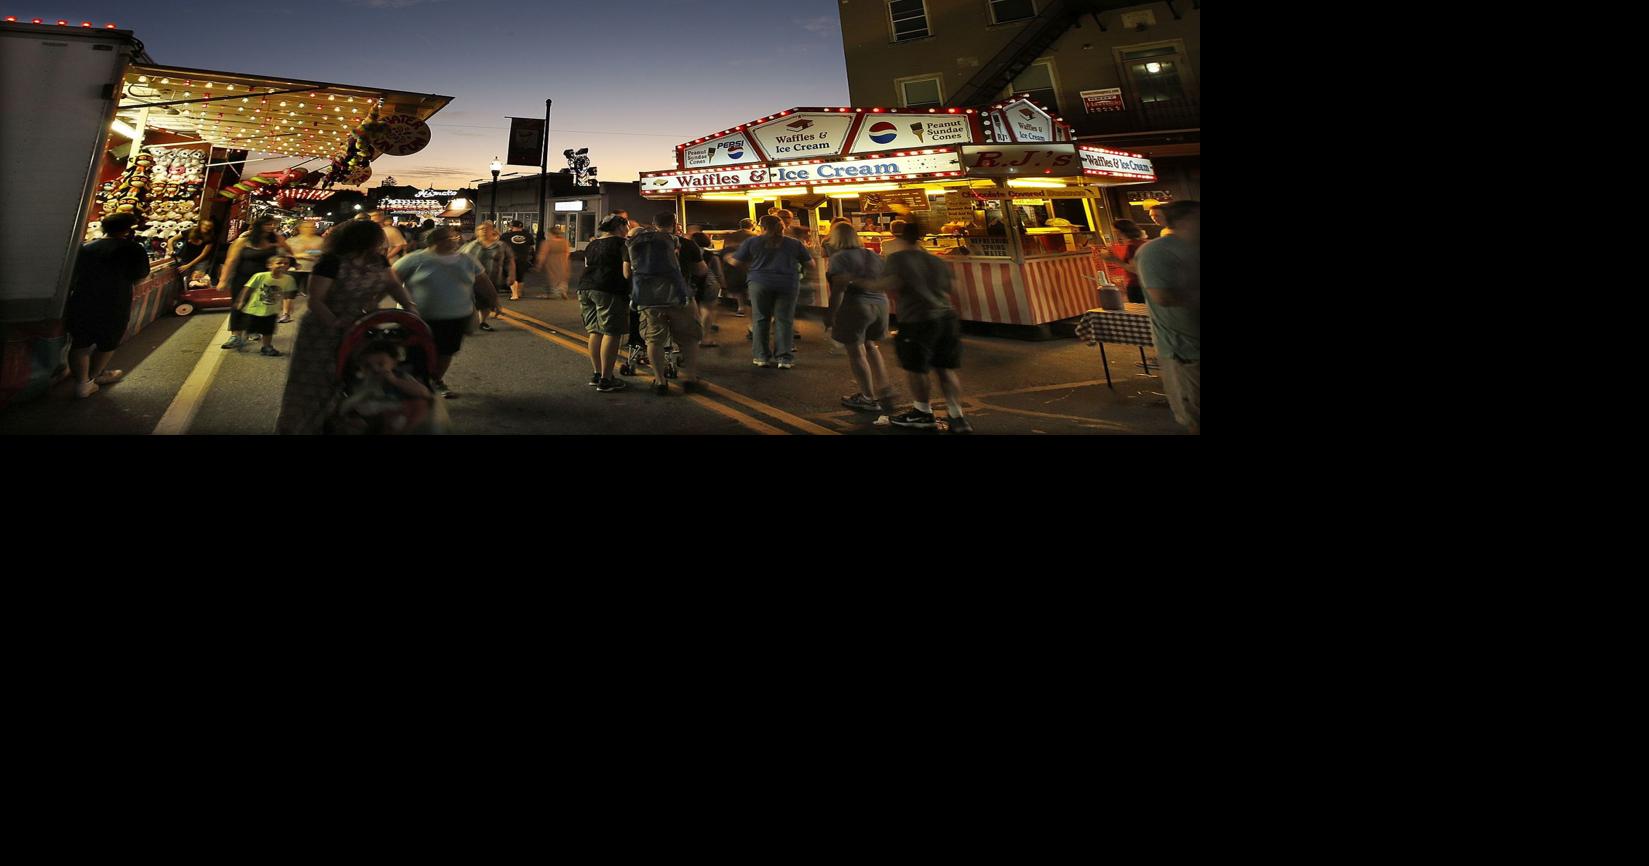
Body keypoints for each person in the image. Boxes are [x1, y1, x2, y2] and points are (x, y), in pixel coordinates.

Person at [276, 219, 420, 434]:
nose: (381, 243)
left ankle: (341, 424)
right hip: (324, 330)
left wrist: (410, 306)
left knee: (356, 378)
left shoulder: (377, 260)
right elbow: (316, 300)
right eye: (377, 238)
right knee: (317, 382)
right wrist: (336, 323)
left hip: (362, 327)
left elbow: (393, 285)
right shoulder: (331, 262)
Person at [866, 218, 972, 433]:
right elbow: (952, 288)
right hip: (946, 317)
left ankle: (922, 411)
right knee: (945, 369)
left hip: (917, 319)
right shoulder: (936, 261)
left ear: (902, 236)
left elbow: (890, 285)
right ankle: (957, 415)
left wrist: (861, 283)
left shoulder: (898, 259)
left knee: (917, 369)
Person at [395, 226, 499, 398]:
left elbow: (483, 281)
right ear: (434, 241)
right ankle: (414, 385)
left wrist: (494, 300)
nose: (454, 240)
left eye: (455, 237)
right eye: (448, 238)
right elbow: (392, 281)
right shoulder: (414, 259)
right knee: (417, 353)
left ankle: (434, 381)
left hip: (455, 316)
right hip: (419, 317)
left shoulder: (467, 260)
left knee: (446, 352)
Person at [64, 213, 150, 398]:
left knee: (80, 342)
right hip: (115, 301)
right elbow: (140, 277)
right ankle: (93, 378)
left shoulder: (86, 247)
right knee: (107, 342)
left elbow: (72, 275)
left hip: (82, 299)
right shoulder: (134, 249)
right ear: (128, 230)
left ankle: (82, 383)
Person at [1135, 200, 1199, 434]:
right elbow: (1163, 296)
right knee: (1195, 415)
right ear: (1185, 221)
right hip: (1185, 350)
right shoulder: (1156, 250)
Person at [625, 212, 705, 394]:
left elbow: (628, 272)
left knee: (654, 340)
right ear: (675, 224)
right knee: (688, 339)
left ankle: (660, 382)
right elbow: (701, 271)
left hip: (649, 299)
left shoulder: (640, 243)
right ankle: (690, 379)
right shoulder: (686, 243)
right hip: (679, 298)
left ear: (654, 224)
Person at [825, 222, 897, 414]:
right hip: (880, 304)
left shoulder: (838, 258)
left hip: (856, 305)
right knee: (871, 345)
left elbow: (838, 290)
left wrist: (831, 314)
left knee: (856, 351)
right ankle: (884, 388)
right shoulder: (872, 255)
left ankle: (867, 396)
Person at [725, 214, 812, 369]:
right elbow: (810, 263)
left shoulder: (752, 242)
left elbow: (736, 262)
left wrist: (727, 256)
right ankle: (784, 358)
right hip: (787, 283)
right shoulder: (794, 243)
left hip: (759, 283)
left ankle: (761, 356)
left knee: (760, 319)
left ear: (762, 227)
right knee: (784, 320)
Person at [578, 215, 632, 392]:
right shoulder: (622, 244)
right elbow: (626, 272)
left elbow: (587, 264)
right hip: (609, 289)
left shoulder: (593, 244)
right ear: (620, 227)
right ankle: (606, 379)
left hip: (585, 288)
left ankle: (597, 373)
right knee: (611, 332)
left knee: (595, 331)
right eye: (627, 225)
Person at [334, 342, 434, 434]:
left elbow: (424, 393)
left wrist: (395, 381)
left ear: (394, 362)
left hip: (397, 415)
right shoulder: (363, 381)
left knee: (420, 405)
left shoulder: (401, 377)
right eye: (368, 366)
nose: (375, 369)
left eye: (381, 364)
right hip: (371, 417)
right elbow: (353, 399)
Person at [218, 215, 289, 343]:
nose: (272, 227)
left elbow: (289, 253)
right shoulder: (244, 240)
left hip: (267, 280)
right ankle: (235, 335)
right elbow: (231, 260)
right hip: (243, 278)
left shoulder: (277, 239)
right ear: (259, 225)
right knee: (239, 305)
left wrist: (285, 265)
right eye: (268, 224)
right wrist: (223, 280)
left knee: (261, 306)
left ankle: (254, 330)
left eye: (273, 224)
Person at [224, 254, 295, 356]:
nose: (282, 265)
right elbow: (247, 289)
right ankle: (242, 337)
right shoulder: (260, 276)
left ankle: (267, 347)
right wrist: (241, 301)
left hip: (271, 310)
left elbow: (288, 294)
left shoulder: (289, 279)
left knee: (268, 330)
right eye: (279, 263)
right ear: (269, 265)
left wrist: (287, 309)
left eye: (286, 263)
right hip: (255, 308)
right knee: (250, 326)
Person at [461, 221, 514, 331]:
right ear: (477, 232)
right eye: (481, 229)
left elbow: (510, 261)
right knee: (469, 301)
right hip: (472, 280)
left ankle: (482, 322)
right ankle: (467, 322)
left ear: (492, 231)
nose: (484, 231)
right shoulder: (469, 246)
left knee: (487, 302)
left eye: (487, 229)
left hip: (493, 279)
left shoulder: (501, 246)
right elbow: (458, 259)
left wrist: (511, 275)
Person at [281, 221, 325, 323]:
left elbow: (324, 251)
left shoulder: (320, 240)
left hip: (312, 269)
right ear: (301, 228)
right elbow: (286, 253)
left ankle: (312, 314)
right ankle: (286, 314)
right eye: (307, 227)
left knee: (313, 293)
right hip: (295, 269)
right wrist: (300, 255)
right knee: (289, 292)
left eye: (312, 227)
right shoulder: (292, 240)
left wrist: (308, 252)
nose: (310, 229)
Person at [689, 232, 724, 348]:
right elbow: (718, 273)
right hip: (709, 284)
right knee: (707, 310)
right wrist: (724, 285)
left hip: (691, 284)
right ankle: (704, 338)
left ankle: (692, 336)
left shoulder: (686, 252)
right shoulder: (711, 255)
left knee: (693, 311)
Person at [1103, 219, 1150, 304]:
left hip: (1136, 285)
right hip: (1147, 283)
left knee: (1139, 312)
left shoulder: (1131, 246)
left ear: (1119, 231)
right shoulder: (1143, 243)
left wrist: (1114, 259)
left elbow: (1134, 269)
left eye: (1114, 231)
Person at [720, 218, 757, 317]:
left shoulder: (732, 235)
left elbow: (725, 248)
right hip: (750, 264)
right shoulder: (756, 236)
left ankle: (741, 307)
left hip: (733, 263)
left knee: (738, 287)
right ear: (752, 225)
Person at [500, 219, 537, 298]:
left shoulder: (505, 235)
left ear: (512, 227)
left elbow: (501, 246)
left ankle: (514, 294)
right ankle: (519, 293)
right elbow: (531, 247)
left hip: (510, 258)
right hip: (523, 258)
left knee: (512, 275)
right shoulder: (528, 235)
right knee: (520, 276)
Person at [535, 225, 572, 300]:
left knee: (550, 277)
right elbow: (568, 252)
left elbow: (543, 254)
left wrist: (539, 265)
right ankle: (563, 290)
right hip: (563, 262)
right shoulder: (565, 242)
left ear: (551, 234)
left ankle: (550, 293)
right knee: (562, 277)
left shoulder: (547, 242)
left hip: (551, 262)